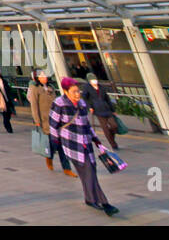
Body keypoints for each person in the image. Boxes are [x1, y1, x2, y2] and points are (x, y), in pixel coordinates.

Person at [50, 77, 118, 216]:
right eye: (74, 91)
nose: (77, 94)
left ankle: (89, 199)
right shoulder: (59, 103)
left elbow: (86, 123)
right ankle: (105, 204)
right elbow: (53, 125)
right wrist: (56, 143)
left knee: (89, 171)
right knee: (89, 172)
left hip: (86, 142)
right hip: (72, 144)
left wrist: (96, 140)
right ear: (65, 91)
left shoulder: (81, 103)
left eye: (78, 91)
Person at [28, 70, 73, 176]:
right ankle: (49, 156)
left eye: (45, 75)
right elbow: (34, 106)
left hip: (56, 119)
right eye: (42, 76)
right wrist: (37, 121)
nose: (44, 78)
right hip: (45, 121)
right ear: (37, 78)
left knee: (61, 144)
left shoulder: (51, 87)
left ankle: (67, 168)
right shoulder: (35, 89)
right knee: (53, 143)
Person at [83, 74, 119, 149]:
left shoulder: (101, 87)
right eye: (92, 80)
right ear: (89, 81)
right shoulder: (87, 88)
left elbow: (107, 99)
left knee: (114, 126)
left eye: (95, 79)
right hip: (97, 109)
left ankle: (111, 137)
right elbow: (85, 98)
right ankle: (113, 144)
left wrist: (113, 110)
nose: (95, 81)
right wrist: (90, 107)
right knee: (105, 128)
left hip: (106, 108)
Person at [0, 66, 16, 134]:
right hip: (0, 100)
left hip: (6, 98)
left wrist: (13, 96)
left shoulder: (3, 80)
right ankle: (9, 128)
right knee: (4, 114)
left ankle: (6, 123)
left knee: (9, 113)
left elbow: (8, 88)